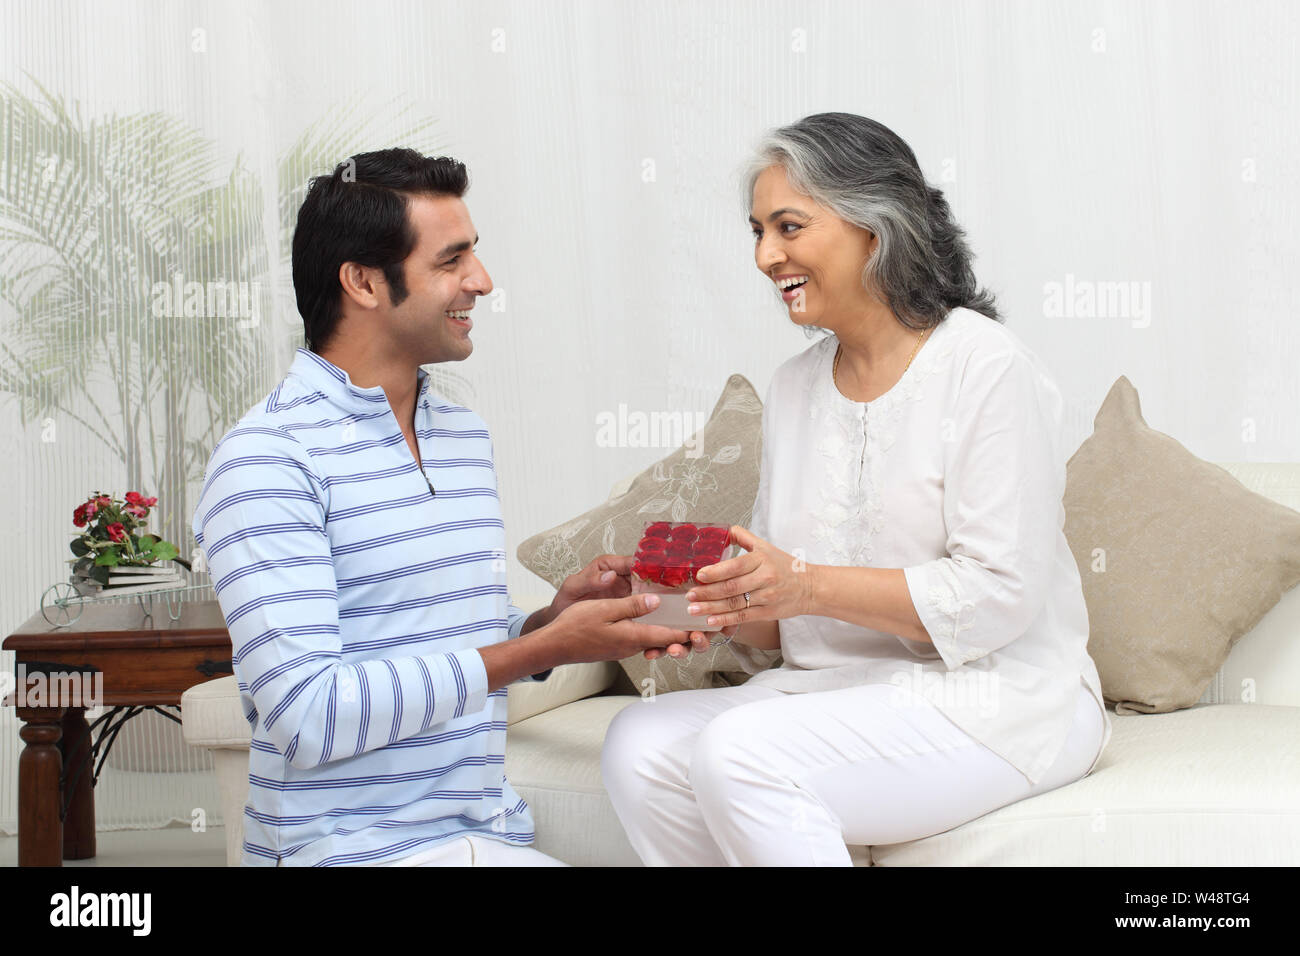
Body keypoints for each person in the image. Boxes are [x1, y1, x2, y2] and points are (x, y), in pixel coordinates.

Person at [601, 112, 1112, 866]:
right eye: (757, 232)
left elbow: (1000, 594)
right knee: (637, 743)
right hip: (835, 688)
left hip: (998, 694)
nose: (766, 255)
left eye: (789, 226)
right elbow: (788, 622)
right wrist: (716, 603)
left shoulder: (986, 365)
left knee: (741, 754)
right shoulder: (794, 387)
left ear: (876, 227)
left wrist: (802, 585)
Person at [192, 148, 691, 867]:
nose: (481, 282)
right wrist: (546, 648)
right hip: (350, 855)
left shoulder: (460, 434)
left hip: (484, 838)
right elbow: (307, 715)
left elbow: (443, 641)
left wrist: (553, 620)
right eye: (451, 260)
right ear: (363, 281)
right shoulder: (269, 458)